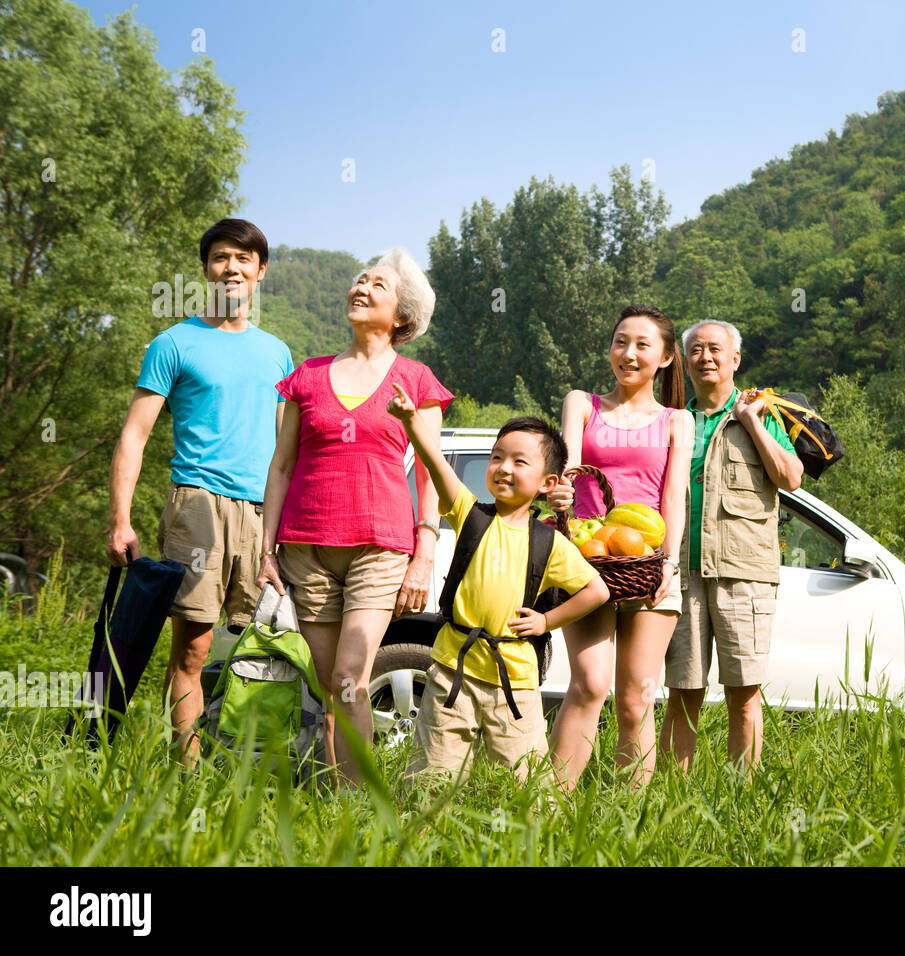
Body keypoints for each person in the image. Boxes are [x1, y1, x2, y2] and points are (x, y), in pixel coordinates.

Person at [258, 248, 451, 786]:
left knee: (350, 678)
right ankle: (335, 797)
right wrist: (266, 549)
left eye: (378, 285)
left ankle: (359, 802)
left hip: (381, 546)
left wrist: (424, 554)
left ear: (402, 317)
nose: (361, 288)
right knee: (330, 688)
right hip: (306, 547)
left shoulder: (415, 380)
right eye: (359, 280)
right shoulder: (307, 376)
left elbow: (430, 473)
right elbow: (281, 466)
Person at [106, 218, 294, 765]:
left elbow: (286, 451)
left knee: (266, 644)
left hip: (262, 513)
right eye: (219, 258)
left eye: (243, 259)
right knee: (193, 646)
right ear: (206, 269)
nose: (230, 268)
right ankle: (186, 771)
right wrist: (121, 520)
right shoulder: (173, 343)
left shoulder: (277, 353)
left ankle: (261, 759)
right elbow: (134, 435)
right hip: (197, 504)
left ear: (260, 270)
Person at [387, 400, 610, 784]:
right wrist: (411, 422)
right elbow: (437, 465)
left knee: (527, 785)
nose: (504, 467)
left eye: (519, 462)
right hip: (451, 671)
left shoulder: (549, 542)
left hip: (516, 682)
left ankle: (531, 843)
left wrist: (545, 621)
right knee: (431, 776)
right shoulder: (470, 515)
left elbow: (597, 591)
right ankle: (423, 837)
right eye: (497, 457)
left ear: (548, 483)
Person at [546, 305, 694, 788]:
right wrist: (559, 490)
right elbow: (568, 460)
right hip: (587, 560)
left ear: (667, 358)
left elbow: (674, 496)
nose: (627, 354)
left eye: (642, 345)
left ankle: (628, 821)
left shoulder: (677, 420)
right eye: (620, 342)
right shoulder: (582, 403)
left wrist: (669, 562)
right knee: (589, 684)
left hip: (649, 563)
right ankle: (549, 806)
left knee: (637, 698)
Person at [659, 320, 802, 773]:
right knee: (683, 694)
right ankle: (670, 799)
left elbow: (791, 478)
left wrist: (750, 423)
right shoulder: (675, 420)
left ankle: (744, 797)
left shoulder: (765, 416)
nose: (706, 357)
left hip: (745, 576)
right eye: (696, 350)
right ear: (685, 360)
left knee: (744, 693)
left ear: (735, 359)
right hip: (682, 574)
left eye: (715, 349)